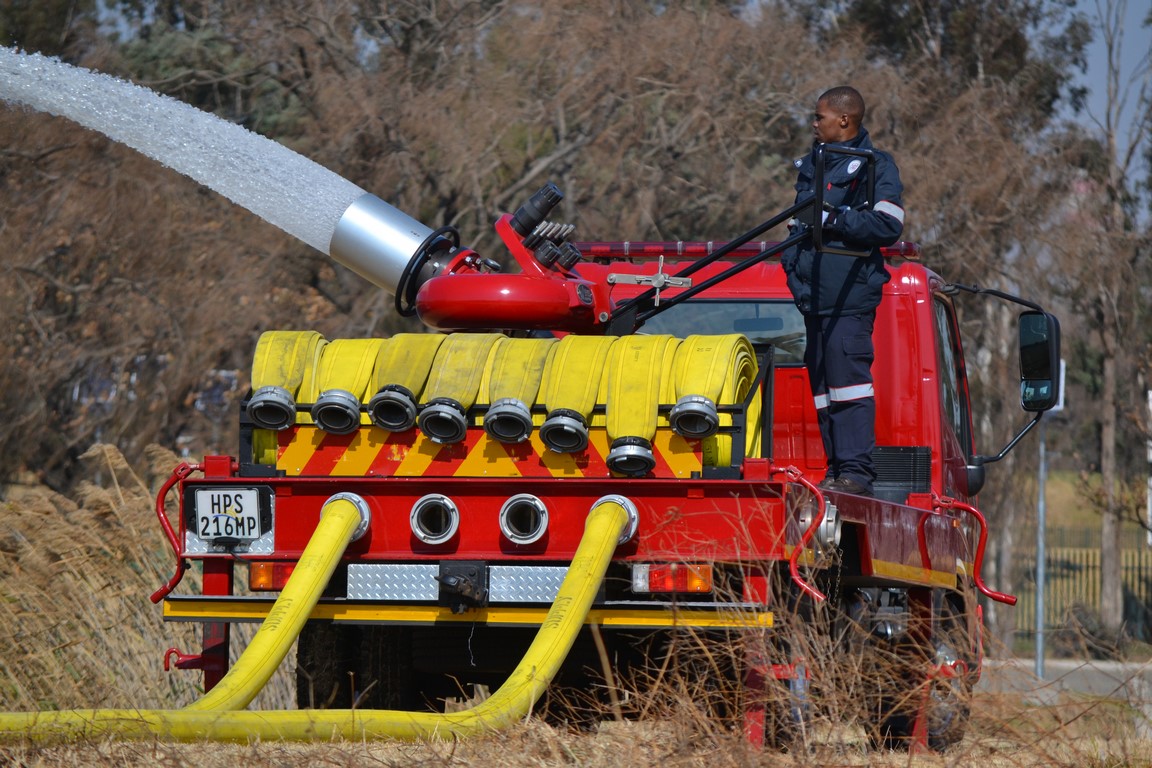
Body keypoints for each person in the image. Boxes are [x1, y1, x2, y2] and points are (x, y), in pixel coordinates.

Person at [780, 86, 905, 497]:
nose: (814, 124)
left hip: (849, 302)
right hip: (814, 301)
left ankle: (855, 473)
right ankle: (836, 470)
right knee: (822, 390)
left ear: (845, 121)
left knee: (849, 386)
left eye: (819, 117)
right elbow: (798, 231)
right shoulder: (815, 166)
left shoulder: (876, 166)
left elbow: (887, 225)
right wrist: (795, 279)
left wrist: (835, 217)